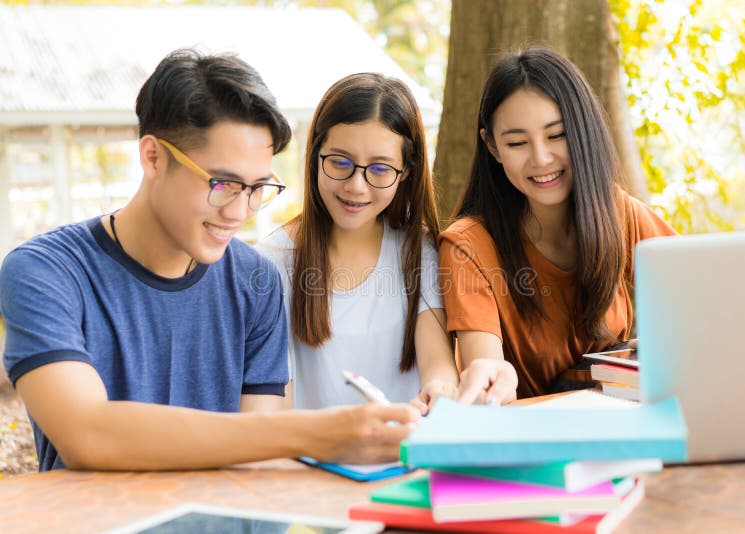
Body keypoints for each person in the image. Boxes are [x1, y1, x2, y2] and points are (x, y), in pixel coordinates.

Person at [0, 49, 417, 472]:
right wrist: (319, 433)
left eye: (257, 188)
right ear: (153, 158)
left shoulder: (255, 280)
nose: (239, 212)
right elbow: (88, 435)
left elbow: (258, 457)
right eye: (223, 183)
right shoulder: (46, 272)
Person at [441, 47, 676, 404]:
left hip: (623, 422)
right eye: (517, 142)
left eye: (557, 135)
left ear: (583, 131)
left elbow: (701, 297)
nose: (541, 158)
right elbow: (487, 386)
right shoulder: (468, 247)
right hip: (535, 437)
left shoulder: (617, 213)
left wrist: (658, 350)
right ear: (492, 147)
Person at [258, 73, 458, 414]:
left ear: (406, 172)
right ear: (315, 154)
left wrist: (439, 390)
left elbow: (438, 364)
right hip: (310, 460)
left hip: (400, 458)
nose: (356, 186)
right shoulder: (272, 262)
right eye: (339, 162)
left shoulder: (419, 252)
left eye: (380, 169)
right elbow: (273, 407)